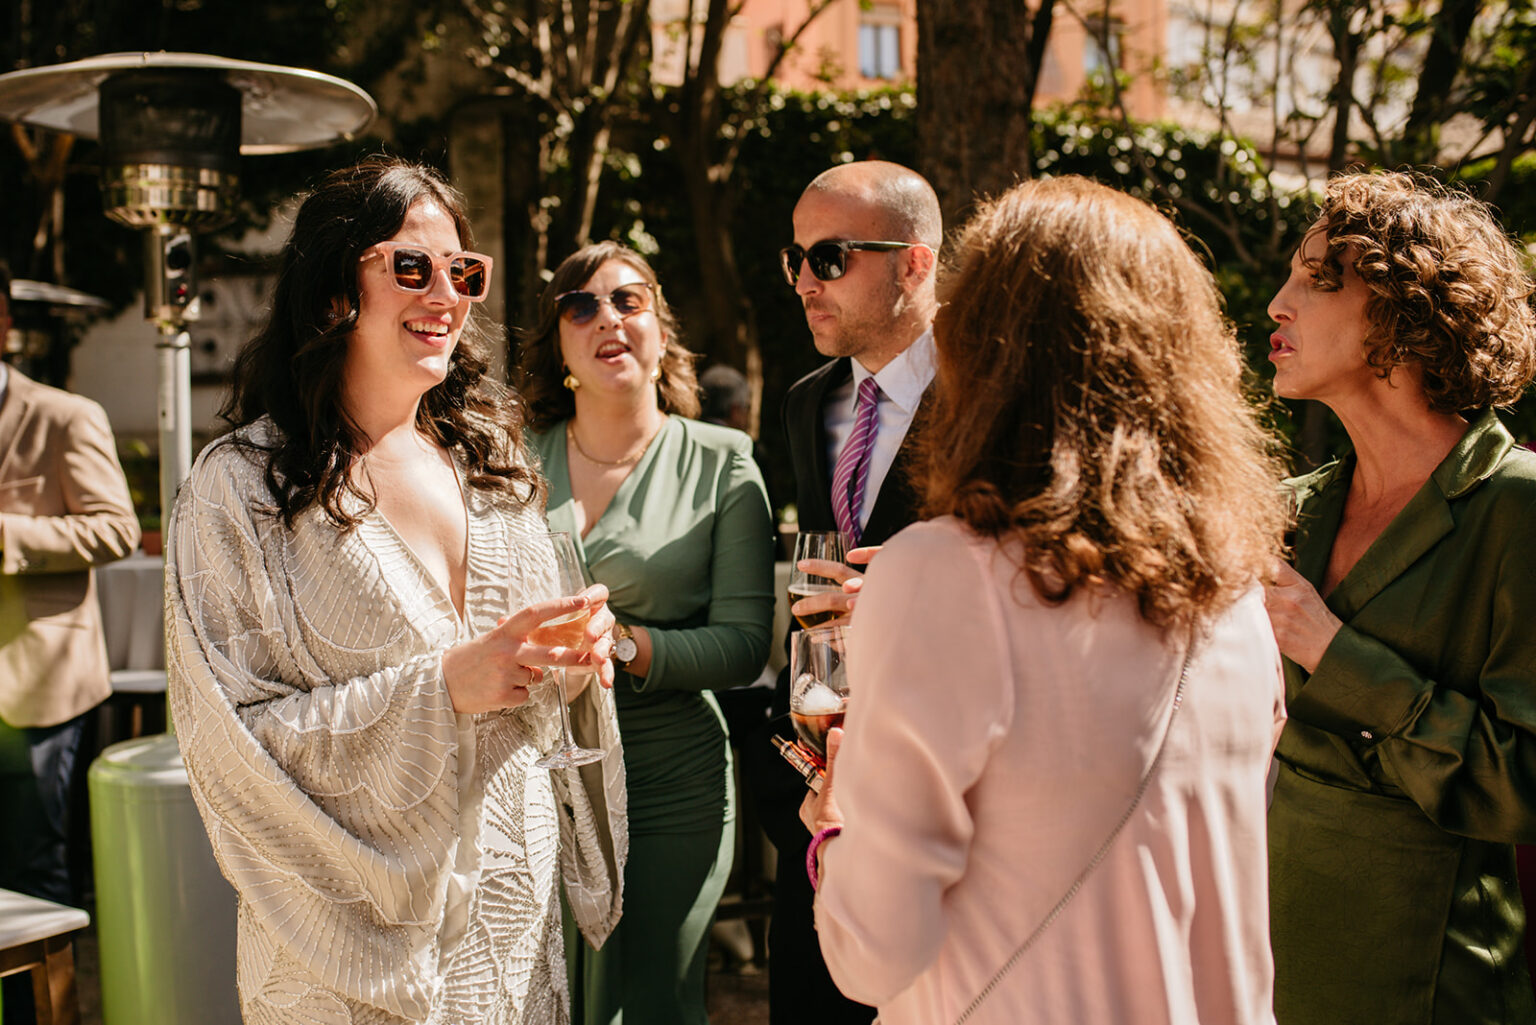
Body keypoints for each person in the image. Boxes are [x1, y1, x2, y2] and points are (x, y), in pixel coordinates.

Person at [799, 175, 1290, 1024]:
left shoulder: (942, 577)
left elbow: (873, 954)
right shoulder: (1239, 597)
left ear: (987, 349)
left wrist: (835, 826)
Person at [165, 157, 626, 1025]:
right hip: (340, 955)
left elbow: (535, 687)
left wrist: (571, 660)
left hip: (506, 923)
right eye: (411, 267)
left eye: (465, 272)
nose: (446, 293)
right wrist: (443, 688)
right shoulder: (242, 491)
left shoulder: (494, 471)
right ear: (336, 289)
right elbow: (227, 749)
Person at [1263, 171, 1536, 1024]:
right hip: (1260, 958)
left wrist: (1332, 654)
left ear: (1403, 310)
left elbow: (1520, 785)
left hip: (1427, 981)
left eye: (1316, 278)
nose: (1277, 302)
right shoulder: (1287, 512)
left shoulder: (1518, 507)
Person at [516, 241, 774, 1025]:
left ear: (661, 328)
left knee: (653, 1002)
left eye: (629, 300)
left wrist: (623, 643)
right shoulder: (512, 464)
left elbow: (744, 643)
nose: (607, 319)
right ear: (558, 342)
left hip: (671, 782)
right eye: (580, 306)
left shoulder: (725, 464)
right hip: (533, 775)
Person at [747, 158, 942, 1025]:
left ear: (916, 262)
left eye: (831, 258)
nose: (803, 281)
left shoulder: (992, 399)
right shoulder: (806, 402)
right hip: (823, 778)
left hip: (942, 778)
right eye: (795, 258)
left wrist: (901, 610)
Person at [0, 260, 140, 1022]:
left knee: (33, 877)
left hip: (35, 684)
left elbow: (116, 527)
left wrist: (6, 535)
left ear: (2, 323)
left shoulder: (62, 415)